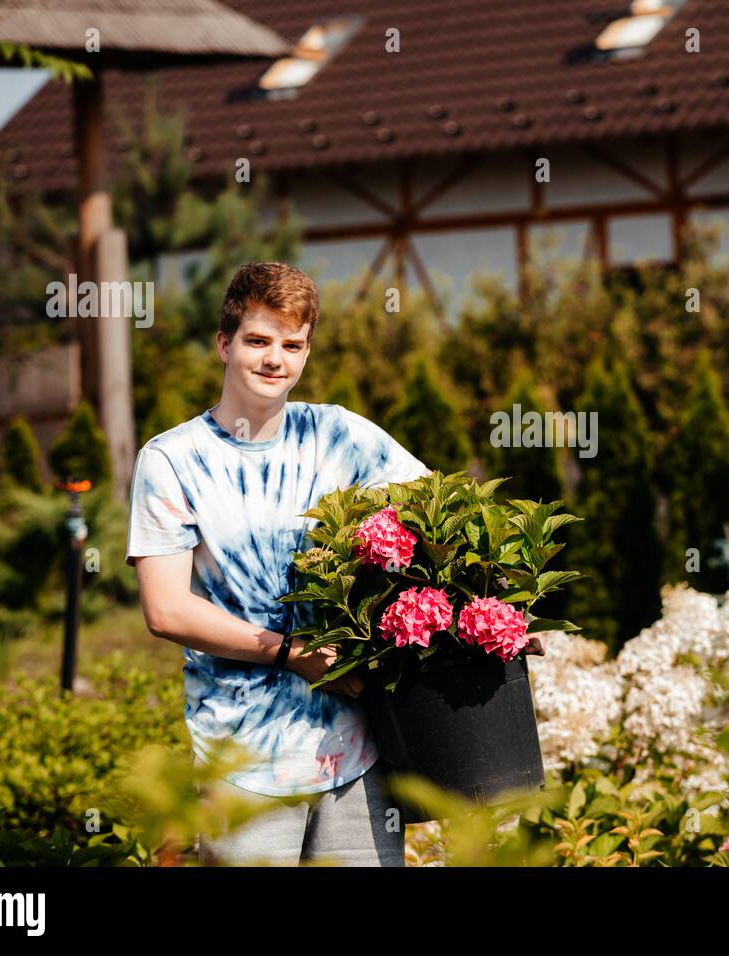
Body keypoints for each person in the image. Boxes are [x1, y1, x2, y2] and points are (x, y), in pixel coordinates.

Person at [124, 261, 538, 866]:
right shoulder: (173, 460)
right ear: (224, 344)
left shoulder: (339, 435)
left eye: (292, 345)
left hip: (361, 749)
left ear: (307, 351)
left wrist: (495, 613)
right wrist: (291, 654)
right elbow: (166, 609)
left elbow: (447, 518)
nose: (275, 360)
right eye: (258, 341)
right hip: (243, 762)